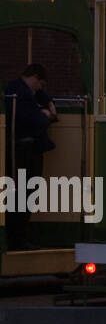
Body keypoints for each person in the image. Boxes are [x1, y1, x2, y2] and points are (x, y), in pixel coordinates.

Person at [4, 63, 55, 250]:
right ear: (34, 77)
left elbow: (40, 96)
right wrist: (44, 115)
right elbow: (27, 119)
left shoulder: (22, 91)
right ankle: (17, 238)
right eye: (40, 84)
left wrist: (47, 102)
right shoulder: (17, 93)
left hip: (28, 150)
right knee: (23, 194)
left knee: (28, 193)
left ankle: (20, 236)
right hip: (23, 151)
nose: (40, 88)